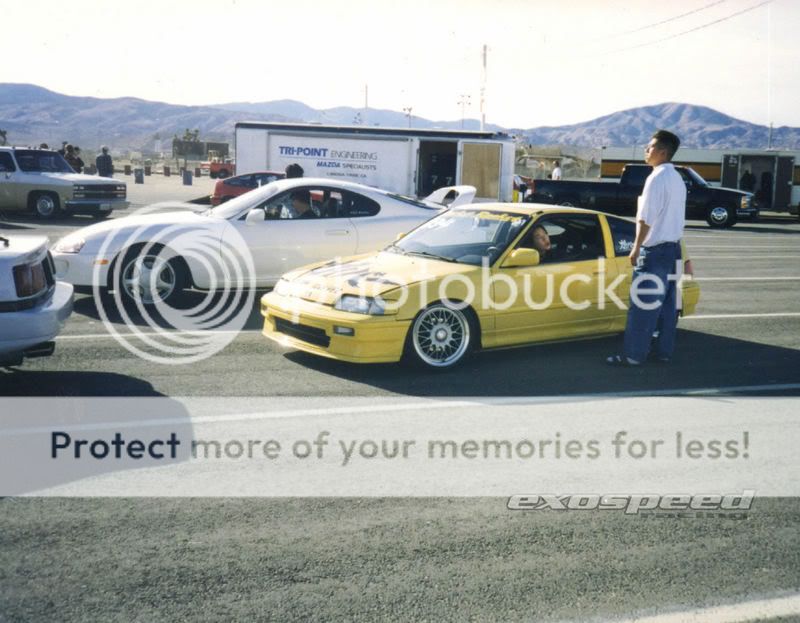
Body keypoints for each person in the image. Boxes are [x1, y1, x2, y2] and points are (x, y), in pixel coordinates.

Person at [607, 129, 685, 367]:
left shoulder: (656, 178)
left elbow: (645, 219)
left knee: (643, 307)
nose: (646, 151)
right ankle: (663, 352)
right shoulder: (677, 179)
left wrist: (636, 248)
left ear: (662, 152)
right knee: (669, 307)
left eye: (649, 147)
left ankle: (633, 355)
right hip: (674, 251)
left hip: (655, 253)